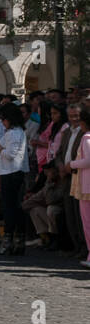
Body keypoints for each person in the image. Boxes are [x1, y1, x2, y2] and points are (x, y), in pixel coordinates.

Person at [0, 102, 28, 255]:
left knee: (11, 208)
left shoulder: (15, 133)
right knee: (13, 207)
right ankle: (16, 239)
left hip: (12, 173)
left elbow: (10, 154)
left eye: (4, 119)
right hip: (9, 172)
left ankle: (10, 240)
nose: (2, 122)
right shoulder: (12, 133)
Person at [67, 105, 90, 269]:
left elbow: (88, 160)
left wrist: (72, 164)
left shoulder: (87, 138)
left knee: (87, 224)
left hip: (87, 187)